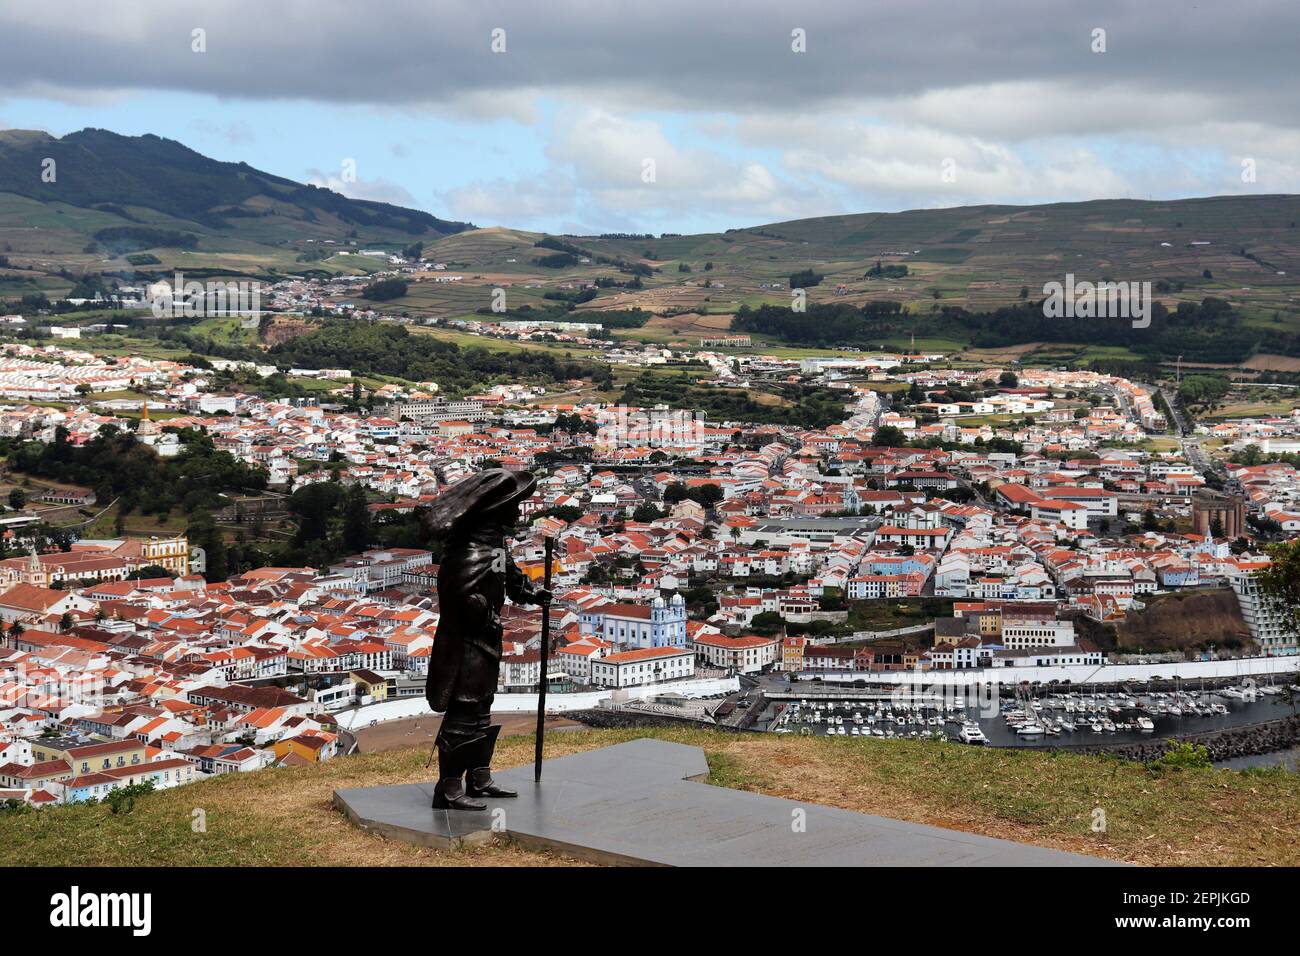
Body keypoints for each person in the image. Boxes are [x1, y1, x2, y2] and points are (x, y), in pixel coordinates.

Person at [421, 469, 551, 810]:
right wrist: (482, 614)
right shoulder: (468, 550)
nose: (518, 510)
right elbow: (457, 597)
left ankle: (479, 777)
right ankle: (449, 787)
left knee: (482, 708)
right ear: (493, 509)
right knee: (464, 709)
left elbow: (507, 575)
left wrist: (532, 594)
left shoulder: (493, 544)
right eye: (513, 504)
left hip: (487, 641)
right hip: (467, 644)